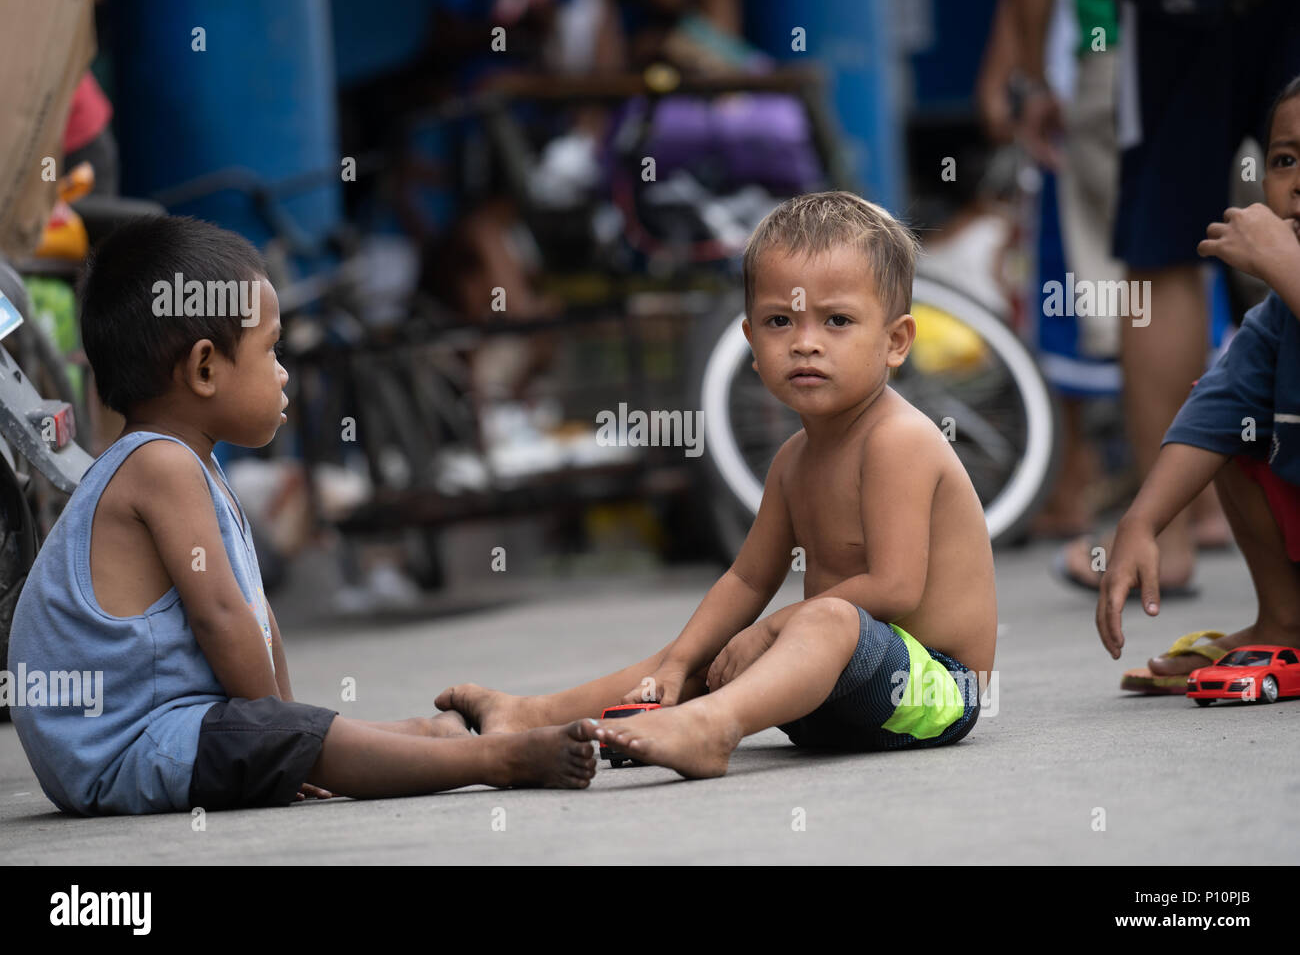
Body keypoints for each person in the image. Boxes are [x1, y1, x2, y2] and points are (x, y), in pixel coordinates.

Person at [6, 216, 596, 815]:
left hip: (169, 733)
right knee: (301, 737)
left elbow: (255, 616)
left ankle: (425, 736)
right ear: (205, 369)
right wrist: (284, 737)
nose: (283, 372)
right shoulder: (160, 466)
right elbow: (220, 619)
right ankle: (498, 761)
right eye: (271, 349)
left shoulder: (193, 465)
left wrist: (293, 732)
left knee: (319, 735)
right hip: (124, 751)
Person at [436, 192, 996, 778]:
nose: (806, 341)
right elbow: (749, 577)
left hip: (932, 694)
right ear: (752, 345)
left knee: (820, 621)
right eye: (781, 321)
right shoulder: (792, 459)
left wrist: (773, 629)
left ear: (896, 341)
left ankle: (709, 728)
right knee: (703, 652)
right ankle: (532, 716)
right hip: (828, 698)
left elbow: (896, 587)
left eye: (837, 320)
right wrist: (681, 662)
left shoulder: (897, 440)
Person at [1097, 77, 1300, 692]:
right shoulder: (1276, 316)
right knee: (1226, 423)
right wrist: (1140, 522)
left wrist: (1285, 266)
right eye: (1286, 159)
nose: (1297, 180)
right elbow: (1213, 408)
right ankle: (1286, 623)